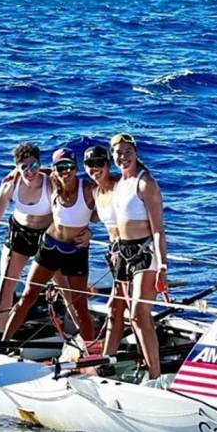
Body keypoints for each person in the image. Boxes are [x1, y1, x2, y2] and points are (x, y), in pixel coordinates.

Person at [2, 147, 96, 346]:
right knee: (28, 296)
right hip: (50, 246)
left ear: (76, 167)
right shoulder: (52, 181)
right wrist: (16, 172)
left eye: (70, 166)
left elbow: (104, 211)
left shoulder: (87, 188)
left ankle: (93, 353)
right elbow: (36, 171)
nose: (66, 171)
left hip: (76, 251)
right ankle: (2, 344)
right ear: (55, 169)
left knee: (80, 305)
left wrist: (90, 232)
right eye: (61, 167)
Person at [0, 142, 69, 338]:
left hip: (46, 236)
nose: (30, 172)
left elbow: (66, 210)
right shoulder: (10, 186)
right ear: (17, 168)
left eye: (34, 166)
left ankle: (76, 333)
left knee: (64, 285)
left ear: (40, 165)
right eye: (24, 168)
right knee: (6, 285)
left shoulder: (50, 183)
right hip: (19, 236)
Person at [109, 132, 168, 379]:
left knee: (138, 313)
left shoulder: (146, 184)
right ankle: (143, 365)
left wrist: (163, 265)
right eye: (118, 153)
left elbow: (157, 229)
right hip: (123, 253)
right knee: (126, 315)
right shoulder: (119, 184)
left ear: (136, 153)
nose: (123, 157)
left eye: (127, 152)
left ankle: (156, 375)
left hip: (144, 254)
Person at [82, 145, 127, 357]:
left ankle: (150, 365)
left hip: (133, 253)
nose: (95, 168)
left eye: (100, 163)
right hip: (115, 255)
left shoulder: (121, 184)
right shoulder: (95, 191)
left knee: (131, 310)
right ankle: (107, 357)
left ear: (108, 165)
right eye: (90, 164)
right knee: (116, 308)